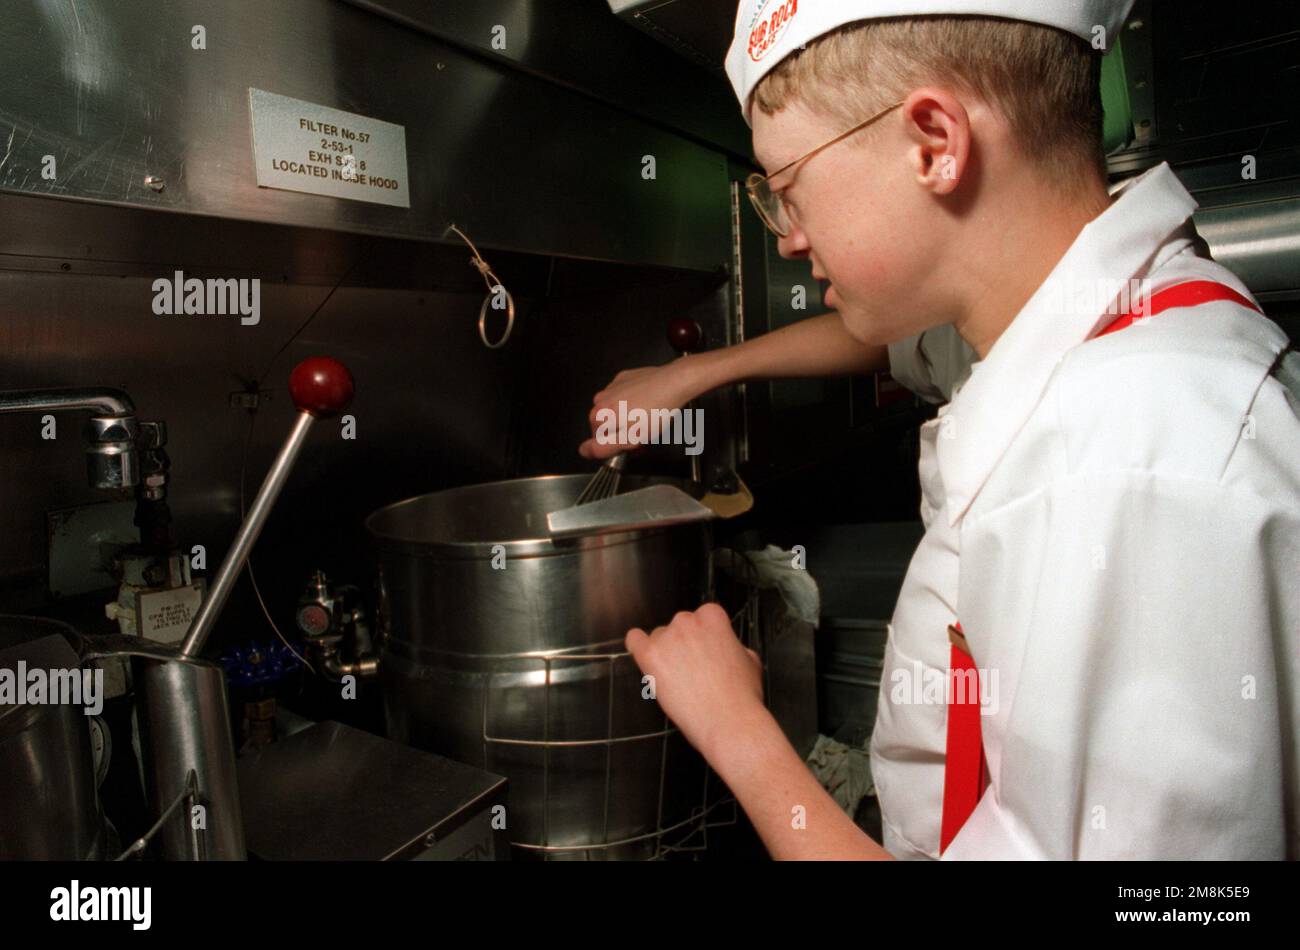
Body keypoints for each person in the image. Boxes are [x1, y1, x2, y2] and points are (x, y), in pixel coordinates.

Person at [580, 0, 1300, 860]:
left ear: (934, 143)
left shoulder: (1131, 465)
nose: (789, 239)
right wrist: (694, 373)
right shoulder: (1079, 317)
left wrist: (739, 733)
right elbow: (887, 342)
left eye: (787, 188)